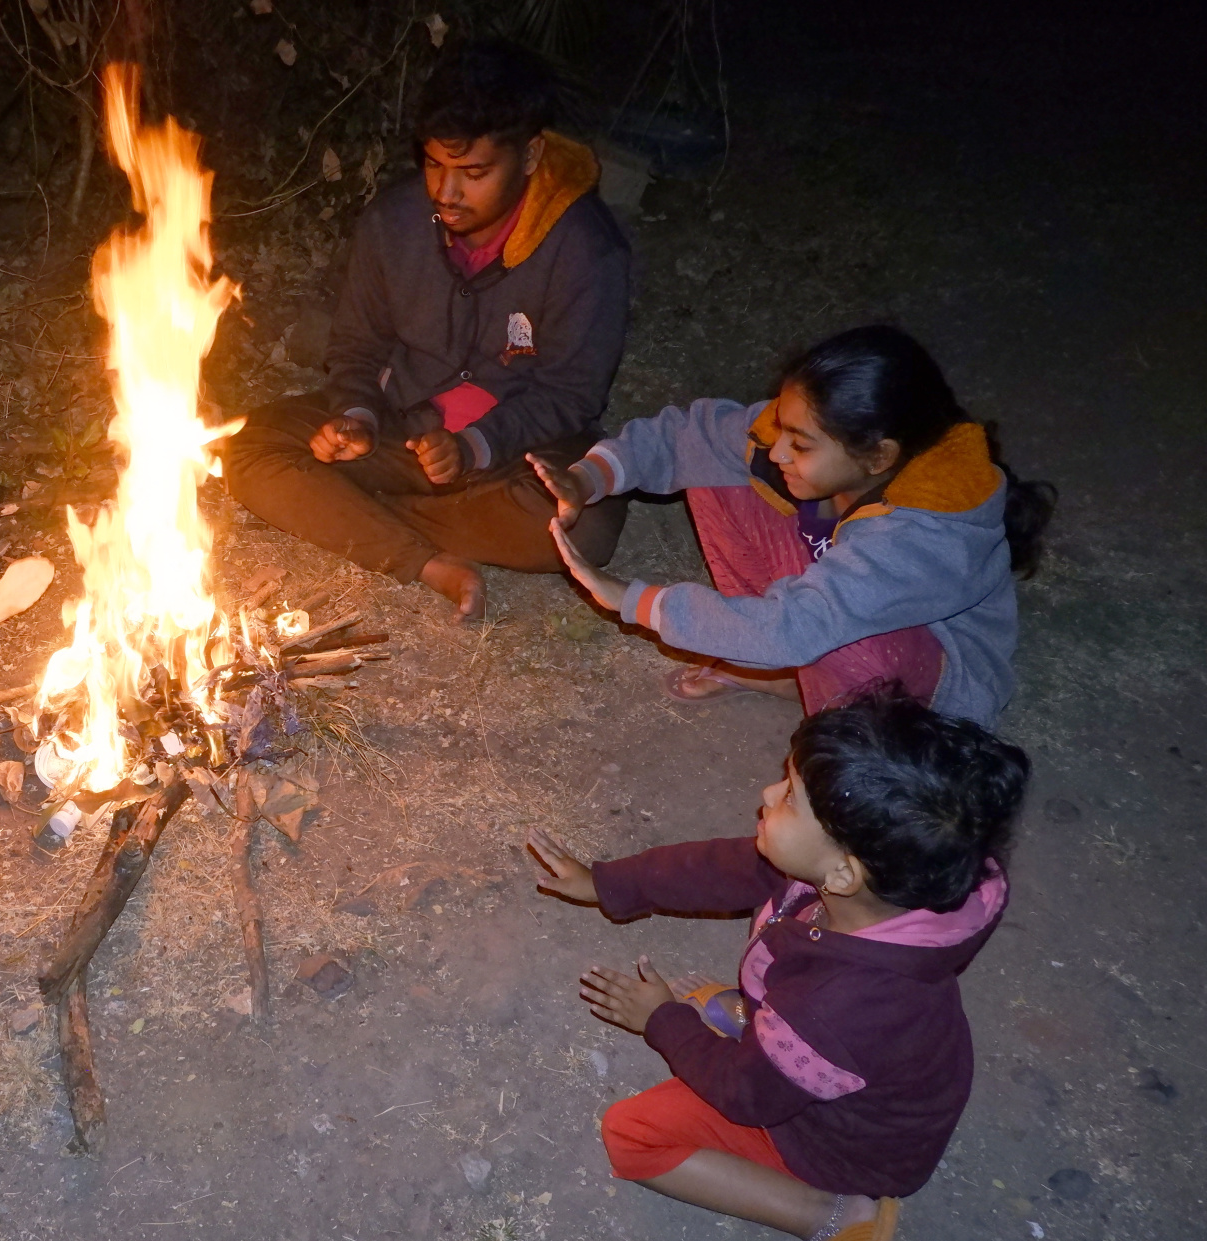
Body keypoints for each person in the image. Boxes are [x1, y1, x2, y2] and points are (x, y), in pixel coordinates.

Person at [528, 692, 1028, 1241]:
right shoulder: (895, 889)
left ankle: (833, 1215)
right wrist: (606, 884)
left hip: (840, 1146)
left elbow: (745, 1095)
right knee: (767, 1022)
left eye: (790, 797)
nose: (768, 795)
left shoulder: (835, 1007)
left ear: (843, 874)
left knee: (632, 1134)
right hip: (866, 1076)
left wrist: (662, 1019)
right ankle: (762, 1026)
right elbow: (720, 870)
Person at [221, 38, 631, 622]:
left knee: (584, 525)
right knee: (249, 446)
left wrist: (473, 446)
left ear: (531, 155)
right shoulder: (394, 223)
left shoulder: (585, 249)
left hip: (510, 452)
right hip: (398, 431)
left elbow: (571, 394)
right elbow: (357, 345)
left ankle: (346, 509)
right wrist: (358, 417)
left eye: (474, 172)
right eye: (435, 164)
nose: (446, 192)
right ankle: (428, 560)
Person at [534, 325, 1056, 725]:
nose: (779, 450)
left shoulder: (925, 535)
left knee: (844, 643)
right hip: (826, 601)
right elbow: (688, 437)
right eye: (784, 429)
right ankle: (782, 672)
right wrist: (587, 478)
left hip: (923, 685)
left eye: (801, 445)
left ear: (879, 456)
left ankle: (843, 722)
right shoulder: (824, 442)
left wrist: (633, 600)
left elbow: (802, 624)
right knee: (716, 468)